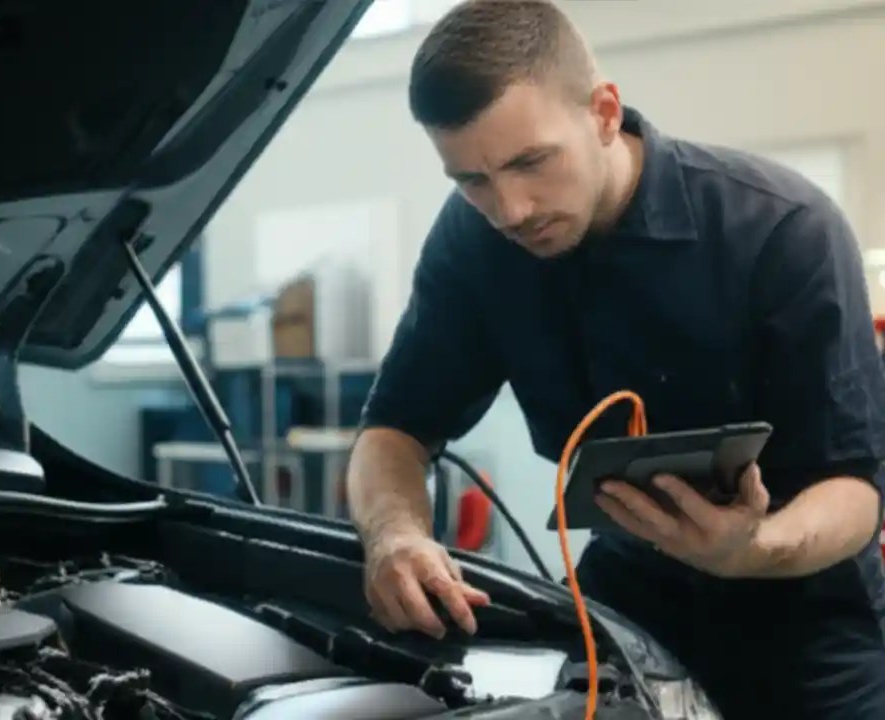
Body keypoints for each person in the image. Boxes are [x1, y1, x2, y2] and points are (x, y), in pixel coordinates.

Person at [346, 1, 885, 717]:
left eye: (530, 162)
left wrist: (750, 547)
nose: (510, 210)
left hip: (805, 631)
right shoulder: (475, 245)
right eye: (471, 181)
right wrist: (395, 535)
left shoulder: (783, 231)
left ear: (604, 112)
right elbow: (394, 429)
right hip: (622, 610)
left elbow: (855, 494)